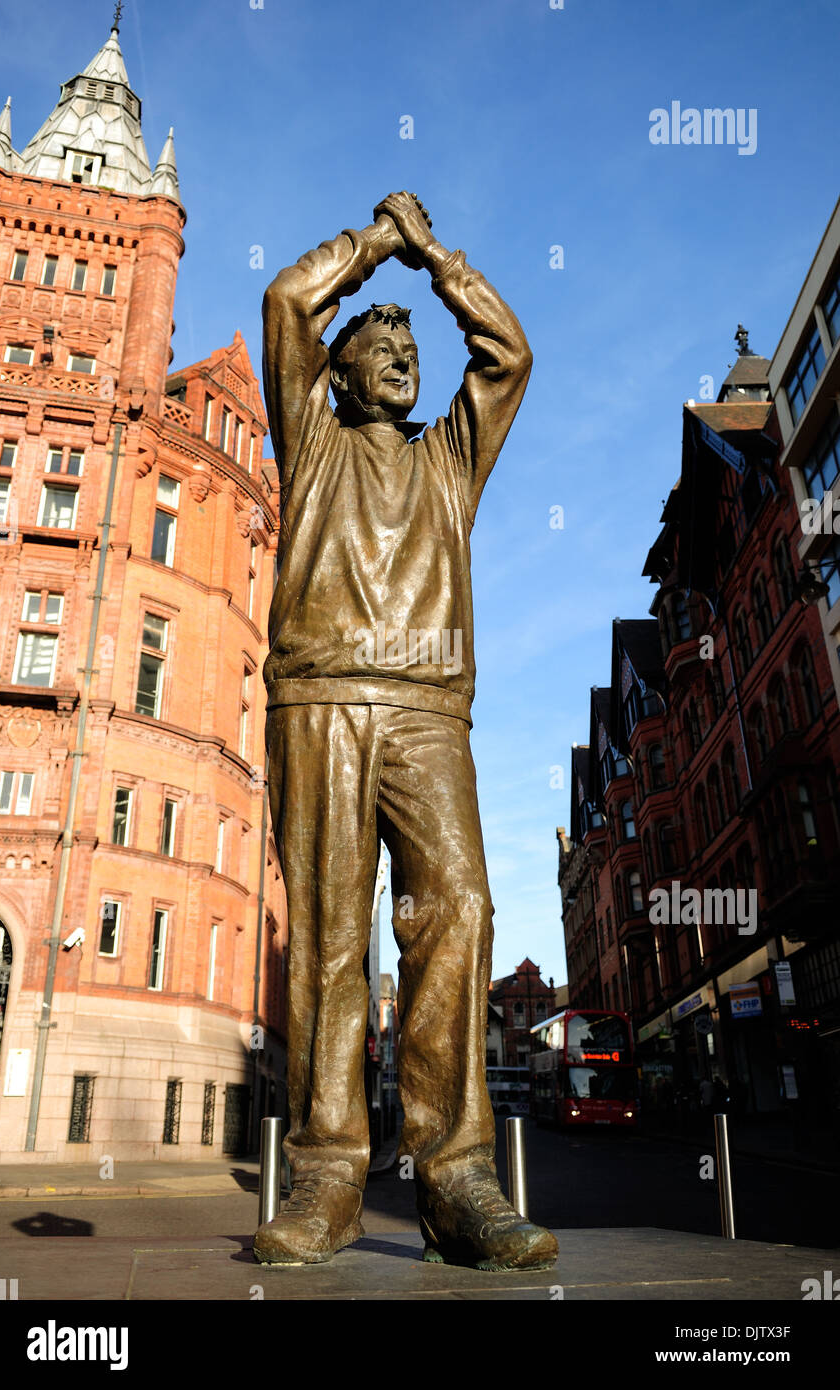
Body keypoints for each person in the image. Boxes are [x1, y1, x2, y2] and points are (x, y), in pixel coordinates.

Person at [253, 192, 558, 1271]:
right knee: (333, 936)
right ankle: (330, 1176)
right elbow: (287, 299)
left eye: (408, 344)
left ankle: (456, 1176)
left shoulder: (447, 460)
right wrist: (371, 244)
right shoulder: (314, 442)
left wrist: (432, 260)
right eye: (376, 340)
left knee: (457, 908)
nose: (400, 354)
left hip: (428, 712)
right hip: (321, 698)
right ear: (332, 371)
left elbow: (507, 352)